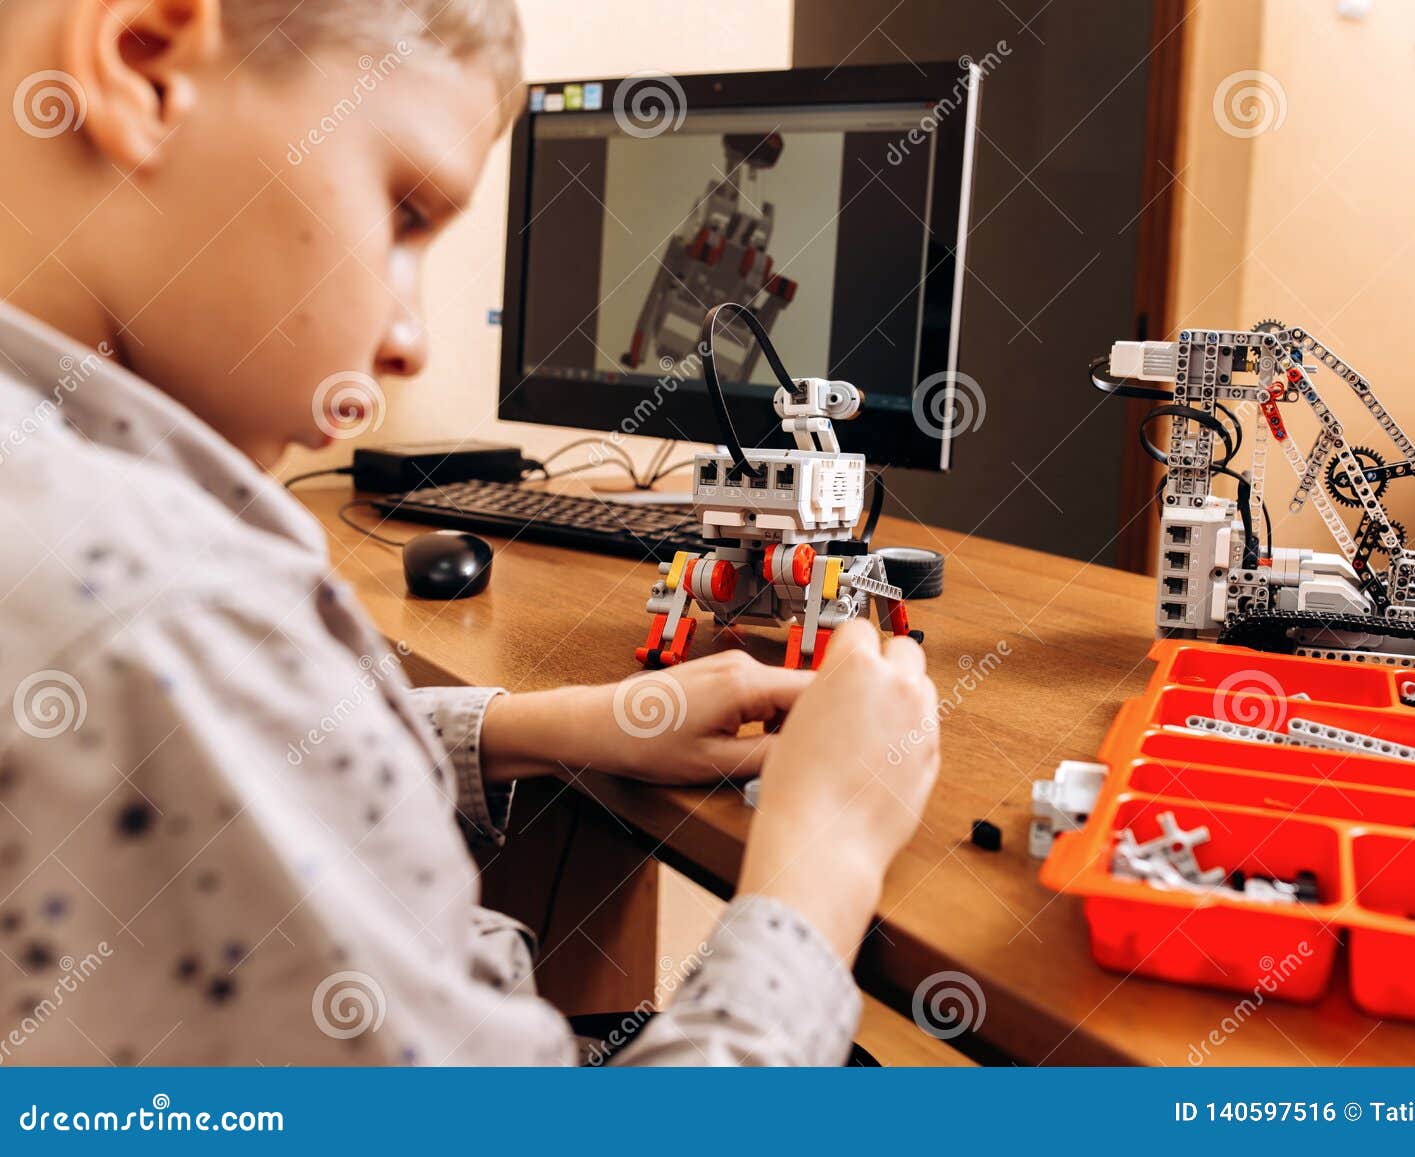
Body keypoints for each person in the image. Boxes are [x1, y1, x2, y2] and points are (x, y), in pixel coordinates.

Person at [0, 0, 940, 1066]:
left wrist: (546, 726)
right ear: (143, 63)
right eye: (404, 213)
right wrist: (824, 861)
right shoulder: (166, 615)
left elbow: (254, 750)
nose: (409, 341)